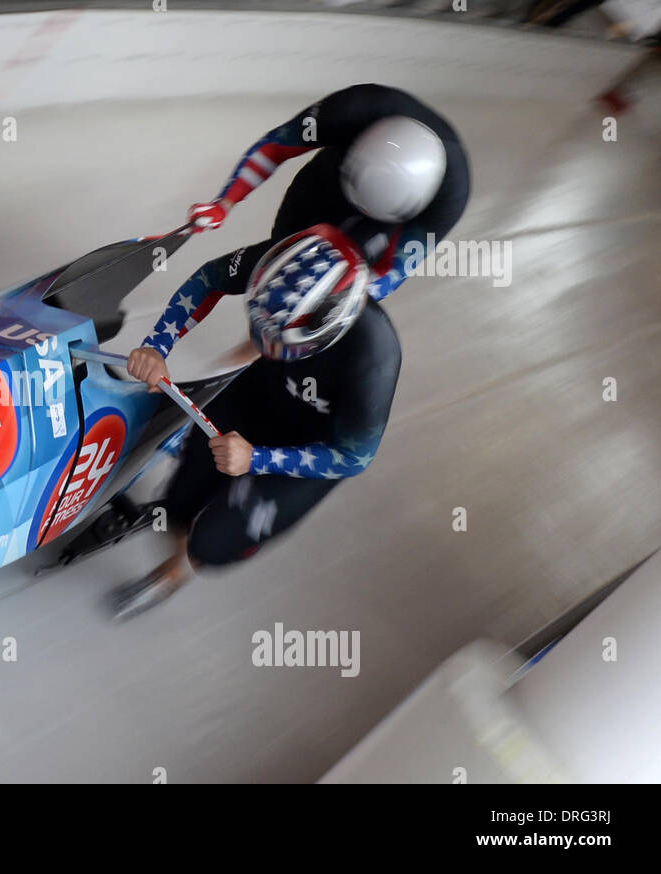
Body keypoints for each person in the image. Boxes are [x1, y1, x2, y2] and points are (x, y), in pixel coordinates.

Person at [111, 84, 469, 619]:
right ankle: (180, 519)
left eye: (275, 337)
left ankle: (180, 568)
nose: (261, 337)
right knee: (185, 489)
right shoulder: (288, 254)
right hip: (297, 313)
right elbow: (211, 277)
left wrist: (259, 459)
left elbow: (354, 456)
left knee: (217, 537)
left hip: (312, 434)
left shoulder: (372, 355)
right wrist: (158, 345)